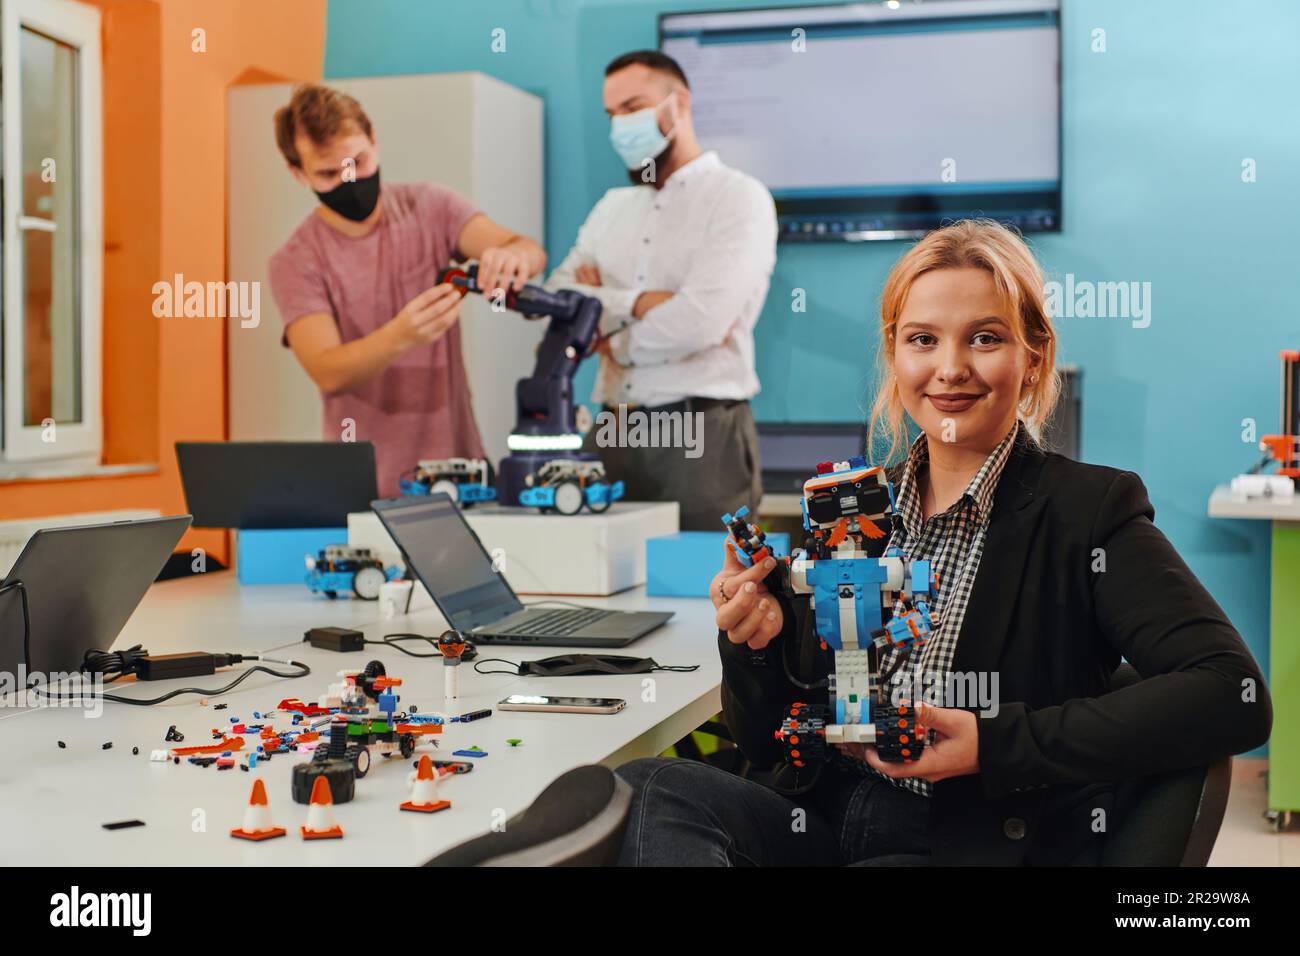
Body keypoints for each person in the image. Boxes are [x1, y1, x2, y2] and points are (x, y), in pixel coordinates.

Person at [615, 219, 1272, 866]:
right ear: (895, 352)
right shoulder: (852, 509)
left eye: (985, 338)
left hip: (962, 836)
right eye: (923, 339)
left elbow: (1230, 691)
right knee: (650, 791)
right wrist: (752, 646)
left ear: (1033, 354)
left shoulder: (1090, 511)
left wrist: (993, 741)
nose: (950, 369)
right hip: (815, 814)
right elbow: (765, 743)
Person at [268, 83, 546, 496]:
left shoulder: (430, 207)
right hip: (368, 486)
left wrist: (514, 259)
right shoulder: (296, 260)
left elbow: (526, 249)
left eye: (358, 162)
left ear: (375, 140)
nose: (350, 180)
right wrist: (403, 335)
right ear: (297, 173)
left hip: (462, 471)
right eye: (329, 173)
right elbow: (328, 371)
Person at [546, 51, 777, 530]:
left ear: (679, 103)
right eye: (612, 116)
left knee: (707, 589)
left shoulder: (738, 197)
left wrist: (608, 334)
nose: (619, 127)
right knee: (601, 585)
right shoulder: (612, 207)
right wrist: (639, 303)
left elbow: (700, 321)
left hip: (699, 430)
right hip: (612, 425)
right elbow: (560, 297)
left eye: (633, 107)